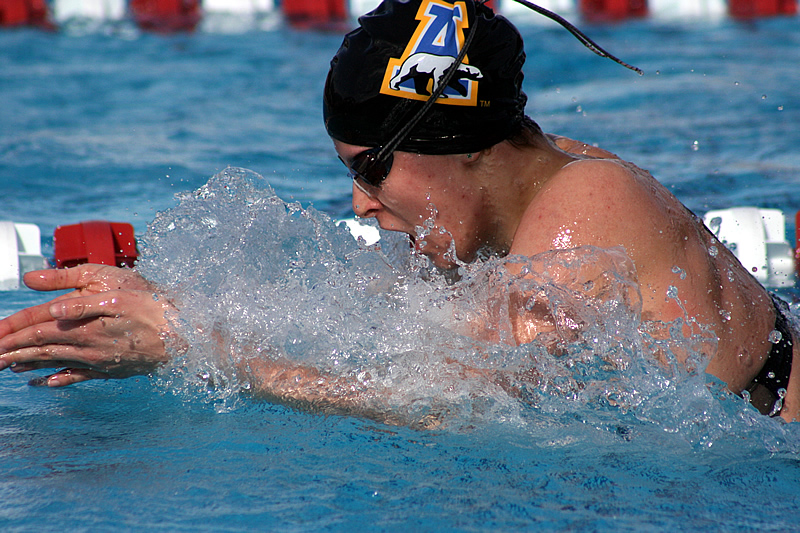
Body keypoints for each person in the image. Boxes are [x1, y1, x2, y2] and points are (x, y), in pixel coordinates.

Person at [0, 0, 796, 422]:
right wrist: (181, 307)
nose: (359, 203)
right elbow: (406, 346)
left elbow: (472, 409)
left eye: (374, 171)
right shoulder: (521, 193)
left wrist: (203, 351)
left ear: (457, 140)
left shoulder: (582, 212)